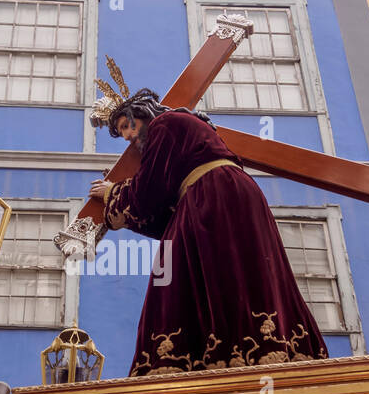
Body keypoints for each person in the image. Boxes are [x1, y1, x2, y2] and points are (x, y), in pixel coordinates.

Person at [88, 87, 329, 377]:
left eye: (127, 125)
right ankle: (238, 348)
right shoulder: (185, 132)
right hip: (221, 198)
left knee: (173, 279)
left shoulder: (166, 125)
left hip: (213, 197)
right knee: (234, 272)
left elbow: (149, 192)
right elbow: (162, 212)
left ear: (142, 114)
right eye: (122, 131)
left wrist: (112, 192)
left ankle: (195, 357)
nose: (127, 135)